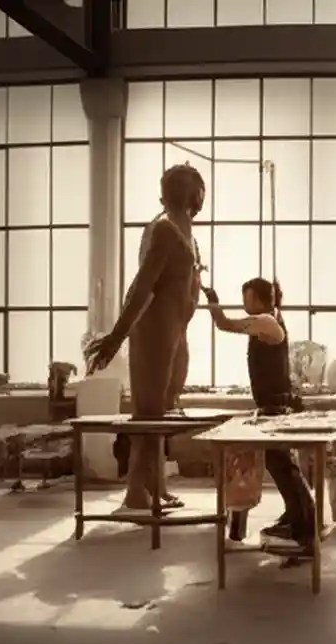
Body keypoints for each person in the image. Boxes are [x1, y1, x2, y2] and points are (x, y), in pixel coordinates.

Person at [85, 164, 204, 512]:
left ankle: (157, 485)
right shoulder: (164, 230)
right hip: (154, 332)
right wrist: (116, 336)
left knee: (164, 412)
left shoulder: (188, 233)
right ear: (185, 192)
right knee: (149, 413)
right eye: (197, 188)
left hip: (177, 332)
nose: (200, 196)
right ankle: (136, 490)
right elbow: (142, 287)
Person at [203, 278, 315, 555]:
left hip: (278, 406)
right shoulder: (267, 320)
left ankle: (306, 527)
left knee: (282, 466)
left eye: (248, 298)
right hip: (270, 405)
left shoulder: (265, 321)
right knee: (279, 466)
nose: (245, 303)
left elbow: (225, 324)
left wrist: (212, 301)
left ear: (262, 300)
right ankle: (295, 516)